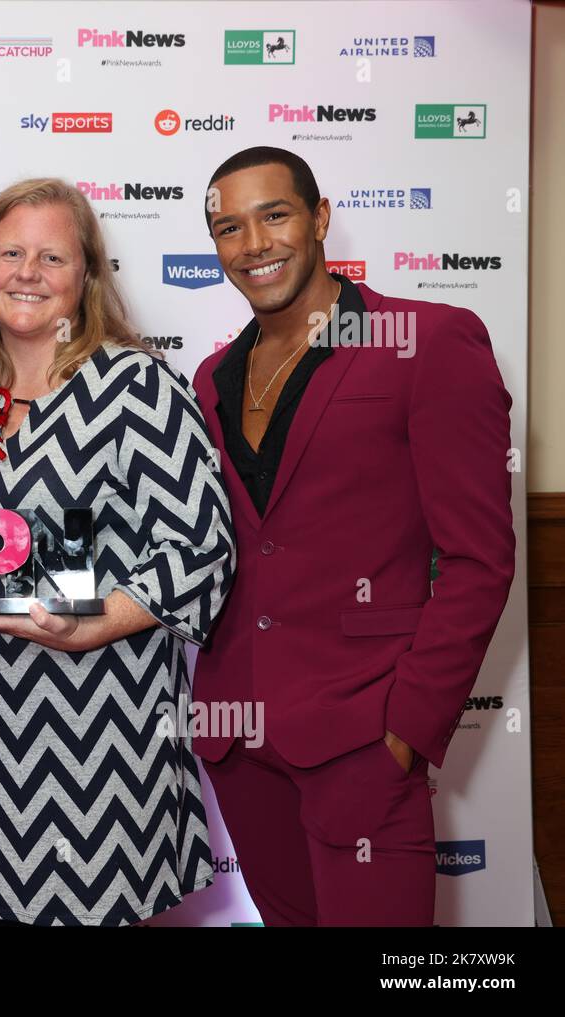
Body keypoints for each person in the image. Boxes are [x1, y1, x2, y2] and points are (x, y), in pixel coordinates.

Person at [191, 147, 515, 926]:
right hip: (239, 742)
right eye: (230, 228)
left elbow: (479, 558)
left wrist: (408, 727)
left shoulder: (426, 341)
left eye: (274, 215)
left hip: (364, 733)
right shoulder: (211, 377)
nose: (254, 244)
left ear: (320, 218)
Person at [0, 179, 236, 925]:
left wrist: (94, 623)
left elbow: (203, 548)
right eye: (10, 252)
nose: (28, 272)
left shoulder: (135, 386)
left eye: (52, 257)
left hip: (102, 762)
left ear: (88, 275)